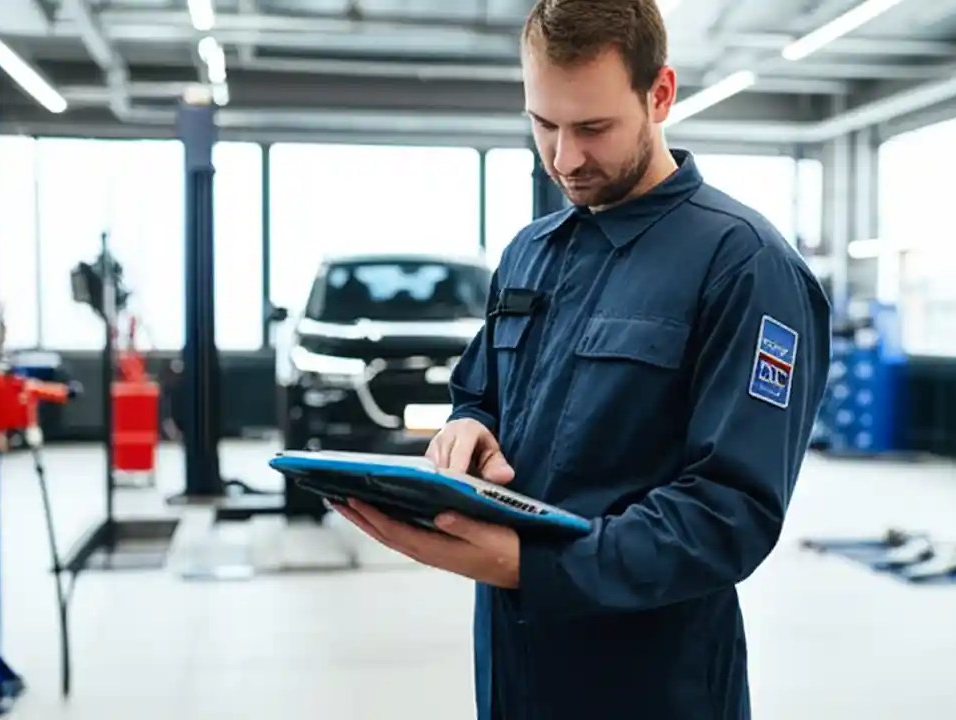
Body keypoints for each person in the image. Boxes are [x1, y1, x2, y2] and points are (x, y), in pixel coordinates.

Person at [332, 0, 832, 718]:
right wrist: (464, 431)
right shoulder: (529, 254)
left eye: (593, 128)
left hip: (655, 680)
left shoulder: (744, 266)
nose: (565, 159)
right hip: (516, 666)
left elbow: (731, 513)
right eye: (544, 125)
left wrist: (531, 567)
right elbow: (481, 396)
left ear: (659, 94)